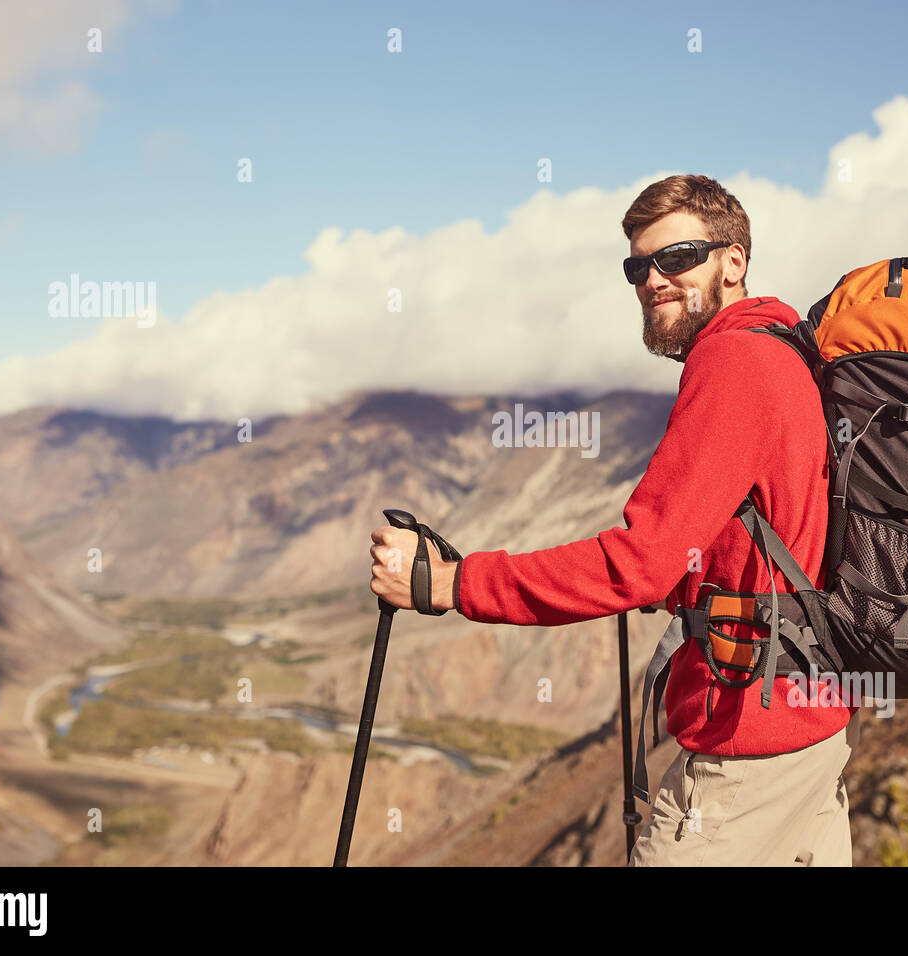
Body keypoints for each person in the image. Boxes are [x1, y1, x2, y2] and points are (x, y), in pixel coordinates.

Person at [369, 173, 860, 866]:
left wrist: (452, 585)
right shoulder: (788, 349)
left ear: (734, 261)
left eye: (678, 257)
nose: (655, 279)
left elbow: (639, 563)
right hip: (813, 733)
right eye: (638, 266)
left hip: (747, 751)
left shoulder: (733, 360)